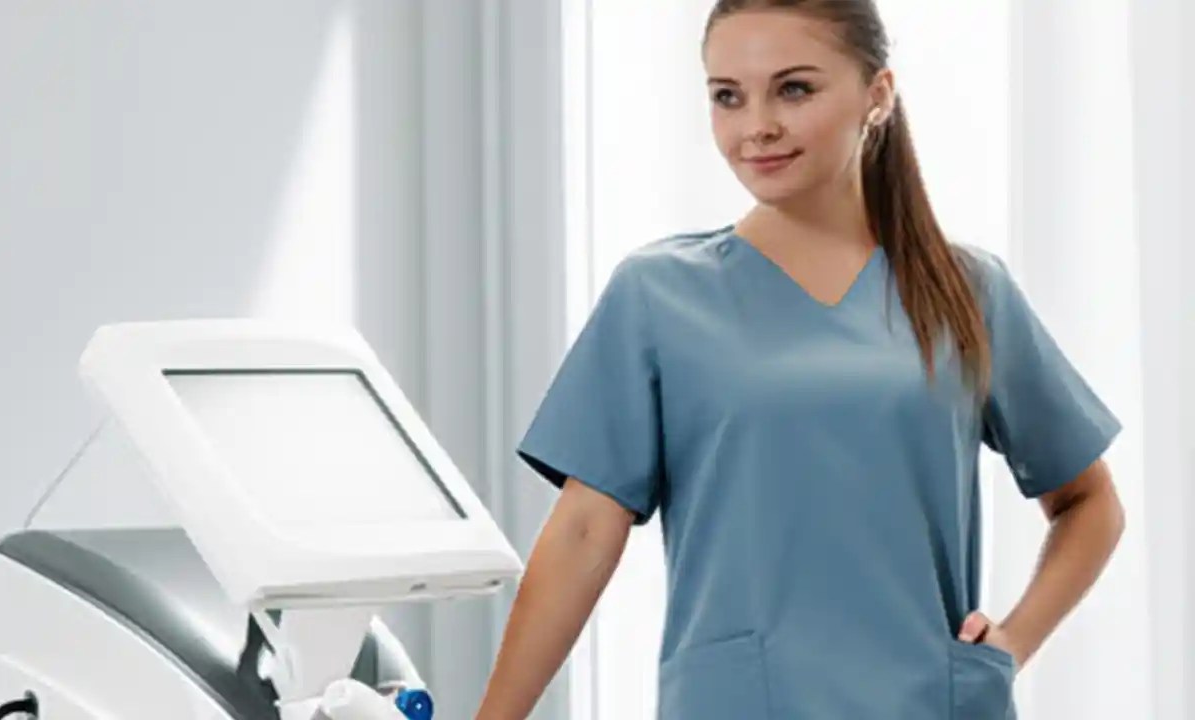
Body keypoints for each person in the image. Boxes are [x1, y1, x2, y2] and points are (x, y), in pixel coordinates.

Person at [474, 1, 1126, 718]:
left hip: (926, 701)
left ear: (876, 94)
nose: (757, 126)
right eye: (728, 96)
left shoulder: (965, 291)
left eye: (794, 89)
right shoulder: (658, 295)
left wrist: (1010, 646)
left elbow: (1089, 502)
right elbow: (581, 532)